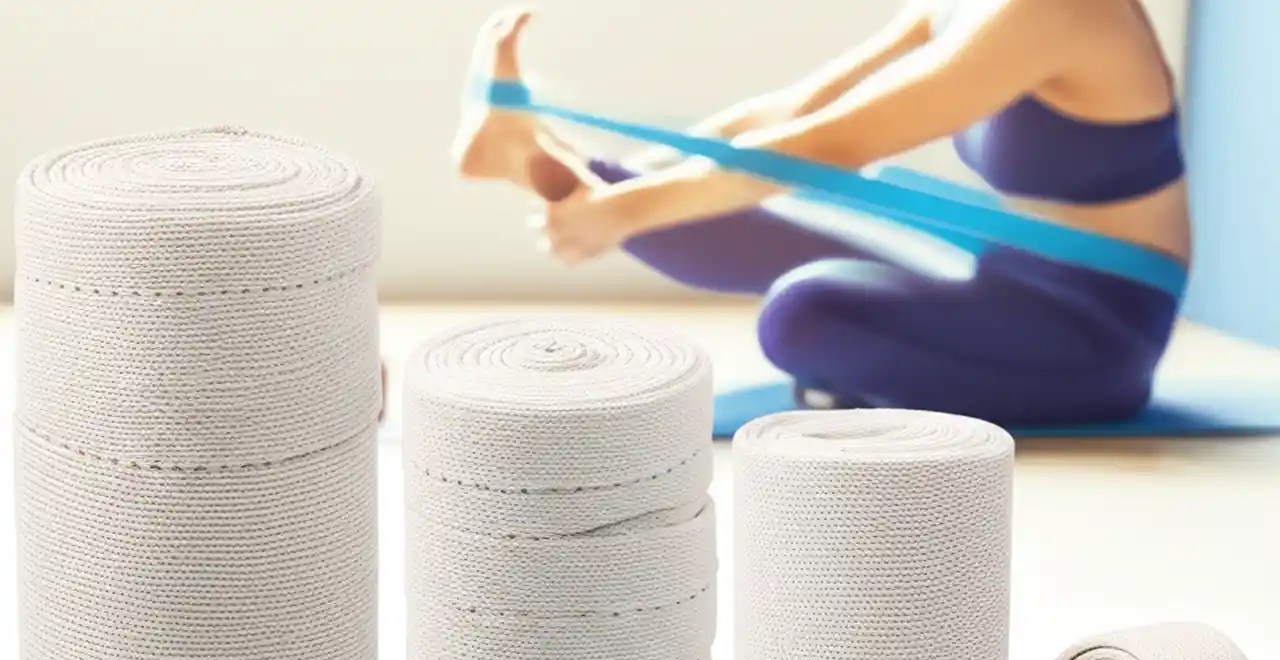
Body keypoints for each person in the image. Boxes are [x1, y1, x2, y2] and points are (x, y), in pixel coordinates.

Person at [453, 0, 1189, 425]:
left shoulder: (1061, 9)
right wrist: (624, 193)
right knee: (680, 201)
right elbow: (789, 111)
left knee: (804, 314)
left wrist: (625, 210)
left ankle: (546, 168)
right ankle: (525, 153)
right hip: (1001, 277)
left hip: (1095, 337)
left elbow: (826, 145)